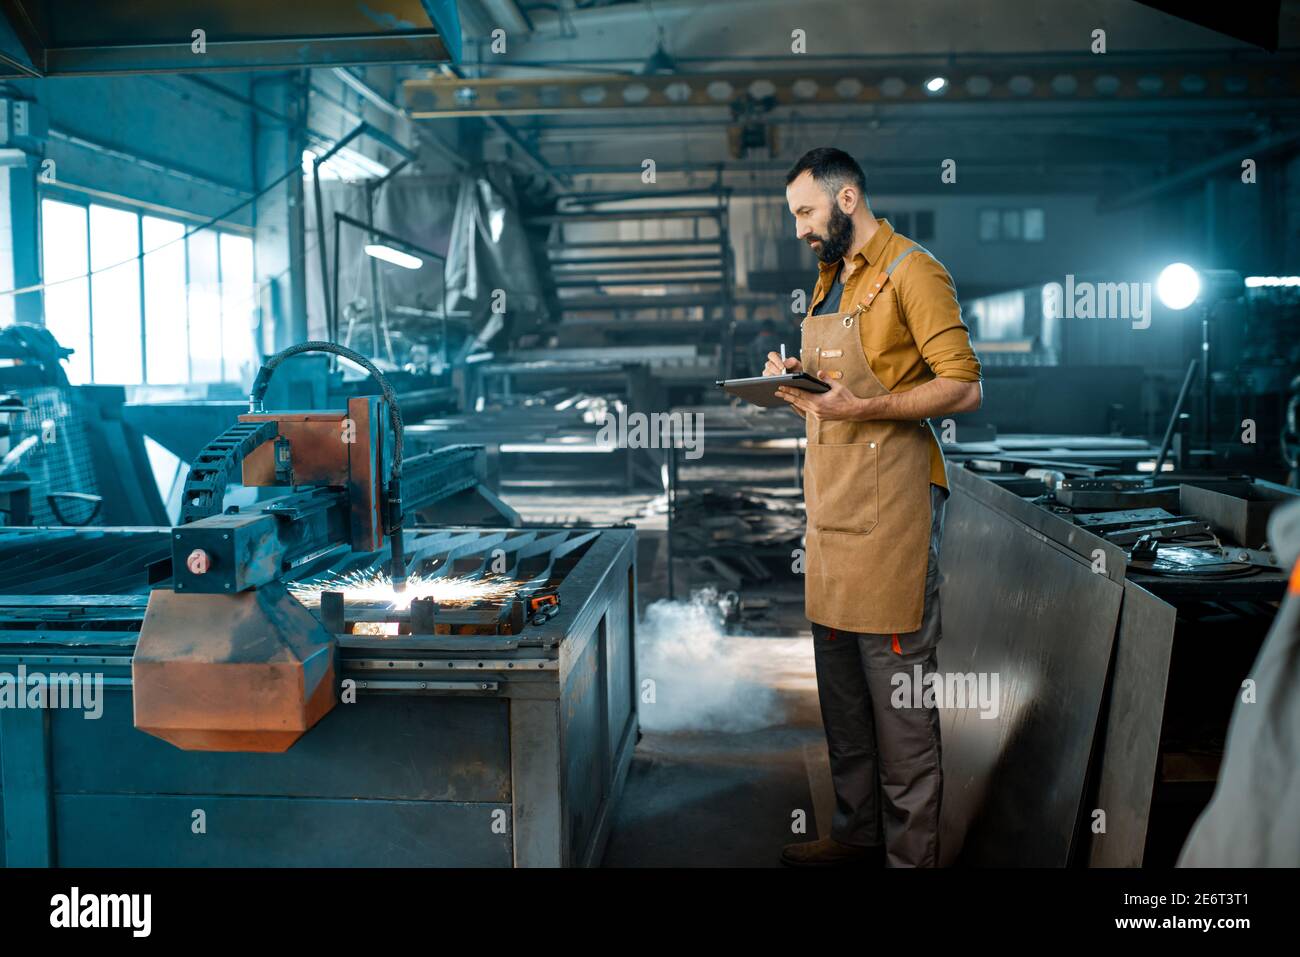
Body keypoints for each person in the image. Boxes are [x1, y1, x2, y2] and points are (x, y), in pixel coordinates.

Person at [767, 147, 982, 868]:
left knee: (900, 708)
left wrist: (865, 406)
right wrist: (797, 381)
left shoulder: (913, 271)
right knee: (844, 696)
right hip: (832, 513)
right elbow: (840, 393)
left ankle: (909, 860)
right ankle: (856, 838)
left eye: (806, 211)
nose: (799, 228)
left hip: (892, 512)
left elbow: (962, 385)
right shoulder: (830, 281)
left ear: (848, 198)